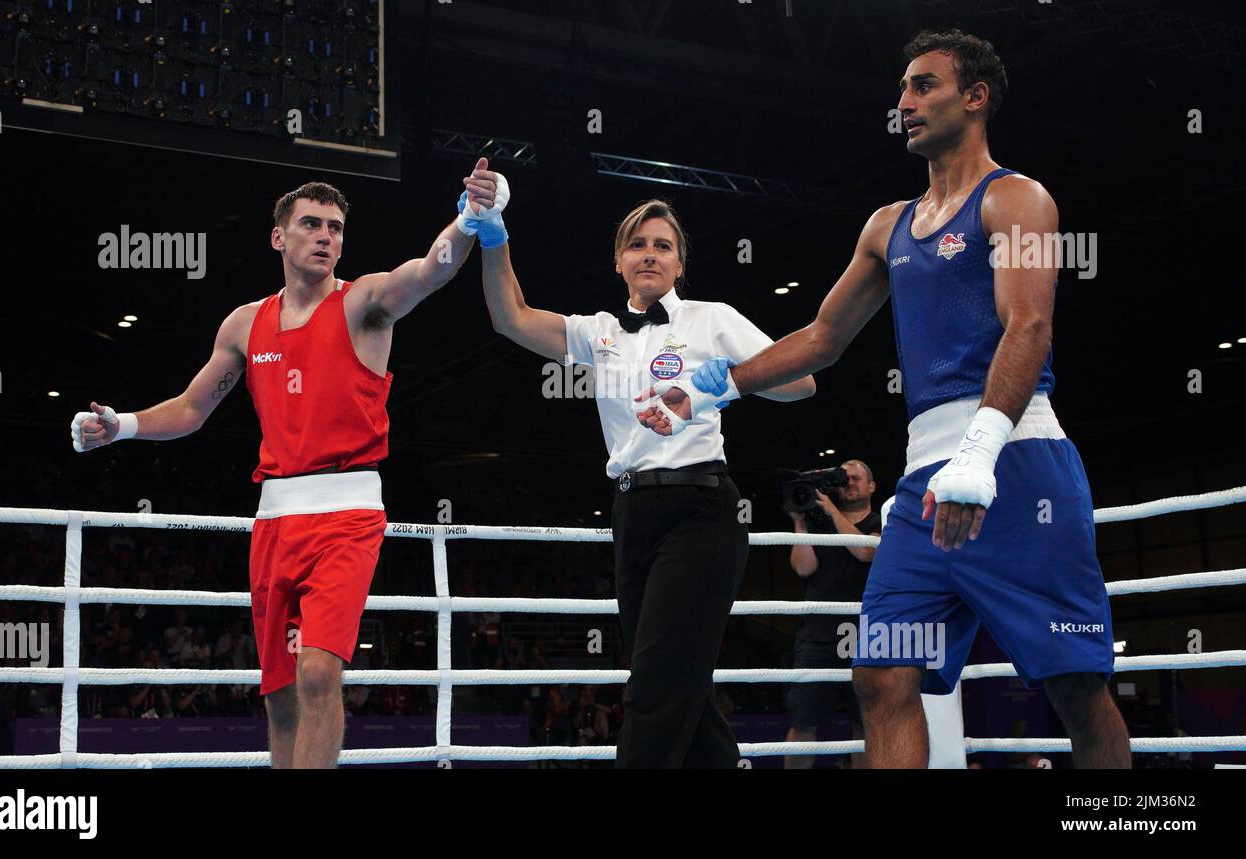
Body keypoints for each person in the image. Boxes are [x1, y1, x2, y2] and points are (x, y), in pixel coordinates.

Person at [637, 29, 1131, 768]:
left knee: (1075, 687)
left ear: (976, 96)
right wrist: (721, 384)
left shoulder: (1020, 200)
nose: (904, 103)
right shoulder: (887, 226)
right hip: (925, 492)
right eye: (902, 89)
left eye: (923, 86)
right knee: (881, 672)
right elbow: (822, 336)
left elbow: (1028, 325)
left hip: (1019, 468)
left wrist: (980, 453)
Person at [68, 158, 502, 767]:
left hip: (348, 514)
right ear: (280, 236)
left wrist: (470, 218)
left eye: (336, 227)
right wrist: (123, 426)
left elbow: (430, 271)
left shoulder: (364, 305)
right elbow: (194, 407)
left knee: (320, 675)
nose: (327, 237)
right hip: (274, 521)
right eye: (312, 224)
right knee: (278, 695)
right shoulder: (246, 325)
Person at [473, 180, 817, 767]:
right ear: (619, 260)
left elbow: (800, 383)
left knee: (654, 688)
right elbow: (511, 318)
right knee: (677, 686)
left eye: (662, 244)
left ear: (680, 263)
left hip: (702, 511)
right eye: (638, 245)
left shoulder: (714, 320)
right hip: (631, 513)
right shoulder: (598, 331)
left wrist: (723, 385)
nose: (650, 253)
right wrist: (494, 234)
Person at [785, 460, 879, 769]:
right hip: (818, 634)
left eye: (856, 478)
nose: (849, 483)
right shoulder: (818, 522)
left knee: (864, 725)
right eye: (843, 478)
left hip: (865, 636)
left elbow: (865, 552)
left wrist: (829, 509)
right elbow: (802, 568)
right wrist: (800, 522)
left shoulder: (883, 521)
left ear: (871, 486)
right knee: (803, 723)